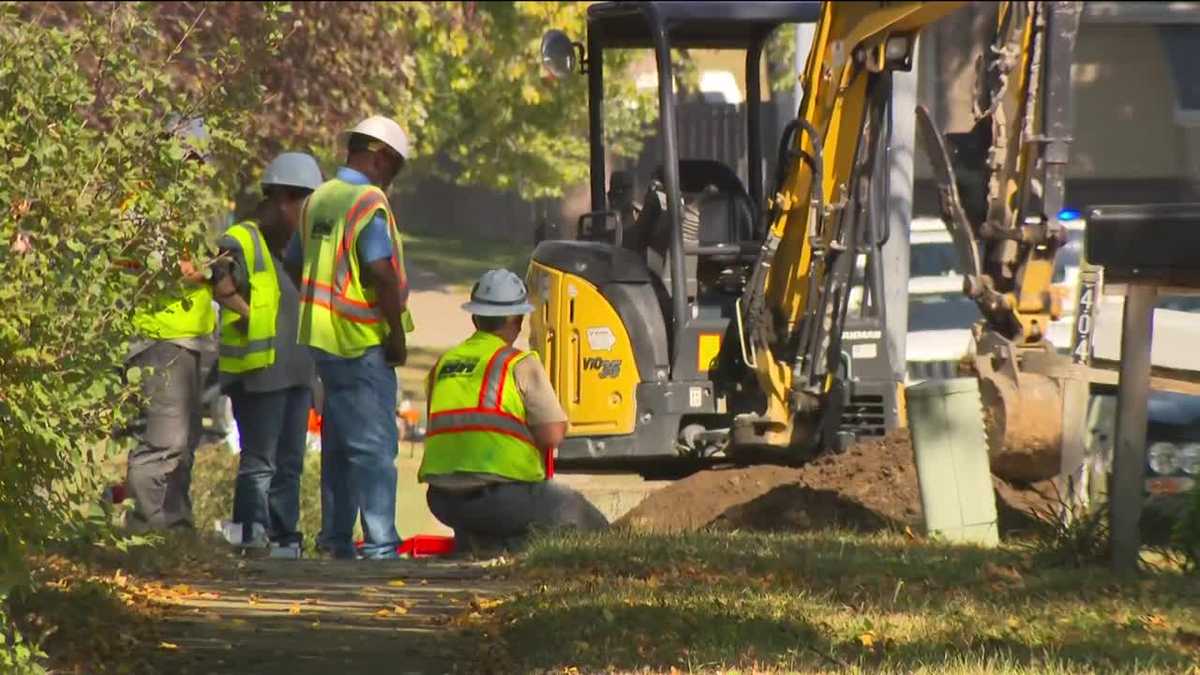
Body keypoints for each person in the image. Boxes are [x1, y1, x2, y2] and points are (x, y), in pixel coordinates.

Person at [286, 115, 414, 560]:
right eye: (395, 168)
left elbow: (293, 260)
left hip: (324, 344)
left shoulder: (319, 199)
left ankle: (336, 540)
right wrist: (395, 333)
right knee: (375, 449)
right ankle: (380, 545)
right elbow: (381, 271)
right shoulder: (366, 202)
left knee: (339, 447)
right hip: (362, 342)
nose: (392, 180)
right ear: (380, 157)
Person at [419, 269, 608, 555]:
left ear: (474, 317)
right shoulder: (518, 363)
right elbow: (552, 434)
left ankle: (481, 545)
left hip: (443, 501)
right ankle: (615, 549)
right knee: (574, 509)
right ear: (517, 320)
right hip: (500, 497)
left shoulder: (442, 365)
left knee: (498, 527)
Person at [211, 152, 323, 554]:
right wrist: (256, 317)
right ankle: (250, 532)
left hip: (296, 371)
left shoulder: (304, 248)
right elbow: (221, 286)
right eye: (302, 205)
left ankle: (284, 537)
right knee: (260, 462)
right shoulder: (242, 239)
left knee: (291, 462)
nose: (306, 215)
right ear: (281, 199)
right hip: (259, 373)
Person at [124, 116, 217, 532]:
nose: (197, 168)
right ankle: (148, 530)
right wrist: (211, 268)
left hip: (188, 339)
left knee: (184, 444)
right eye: (192, 157)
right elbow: (167, 267)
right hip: (161, 339)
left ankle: (174, 527)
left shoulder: (178, 205)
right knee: (164, 443)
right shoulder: (150, 204)